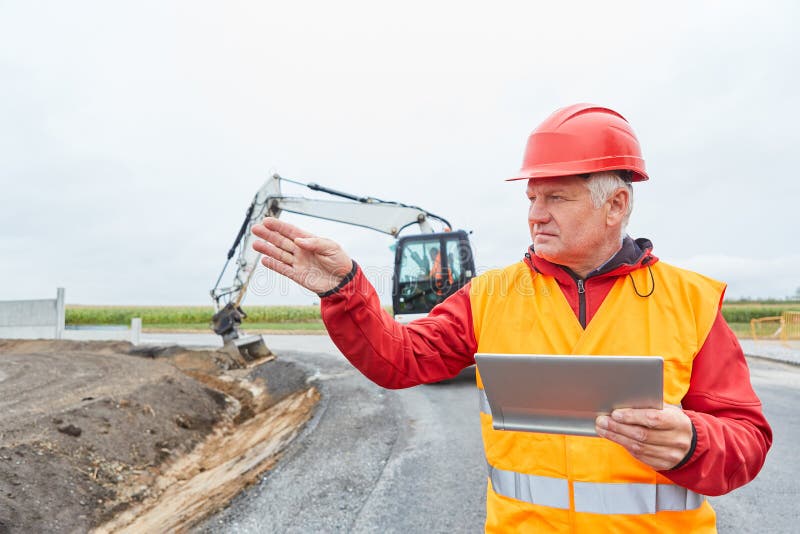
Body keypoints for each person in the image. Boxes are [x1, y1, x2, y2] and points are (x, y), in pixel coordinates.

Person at [251, 103, 772, 533]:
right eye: (531, 198)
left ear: (615, 205)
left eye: (555, 198)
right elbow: (400, 360)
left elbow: (746, 437)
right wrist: (345, 290)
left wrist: (693, 442)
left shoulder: (691, 302)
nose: (534, 214)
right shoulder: (491, 295)